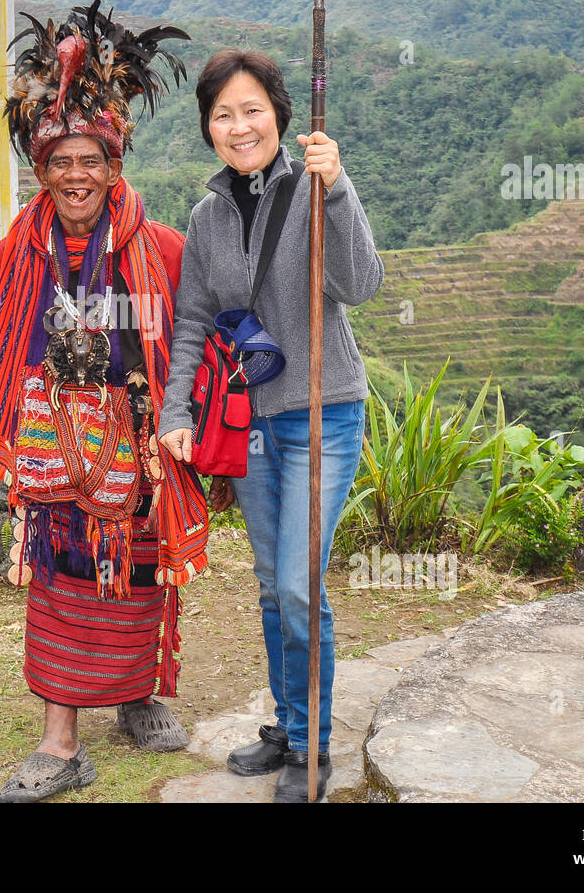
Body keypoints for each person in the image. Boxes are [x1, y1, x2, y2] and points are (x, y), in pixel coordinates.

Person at [0, 2, 209, 803]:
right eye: (60, 160)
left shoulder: (163, 249)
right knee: (66, 580)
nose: (77, 175)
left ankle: (139, 696)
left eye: (91, 159)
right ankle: (60, 741)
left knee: (140, 577)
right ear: (41, 170)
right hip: (48, 455)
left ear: (114, 164)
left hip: (134, 456)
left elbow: (206, 333)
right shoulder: (17, 251)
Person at [157, 49, 384, 803]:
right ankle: (289, 724)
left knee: (298, 584)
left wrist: (339, 186)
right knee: (268, 584)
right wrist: (176, 410)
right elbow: (191, 319)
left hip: (324, 412)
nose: (238, 124)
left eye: (251, 109)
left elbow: (361, 283)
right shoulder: (207, 216)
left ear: (279, 115)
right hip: (246, 422)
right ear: (208, 129)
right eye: (222, 113)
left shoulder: (316, 186)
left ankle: (313, 749)